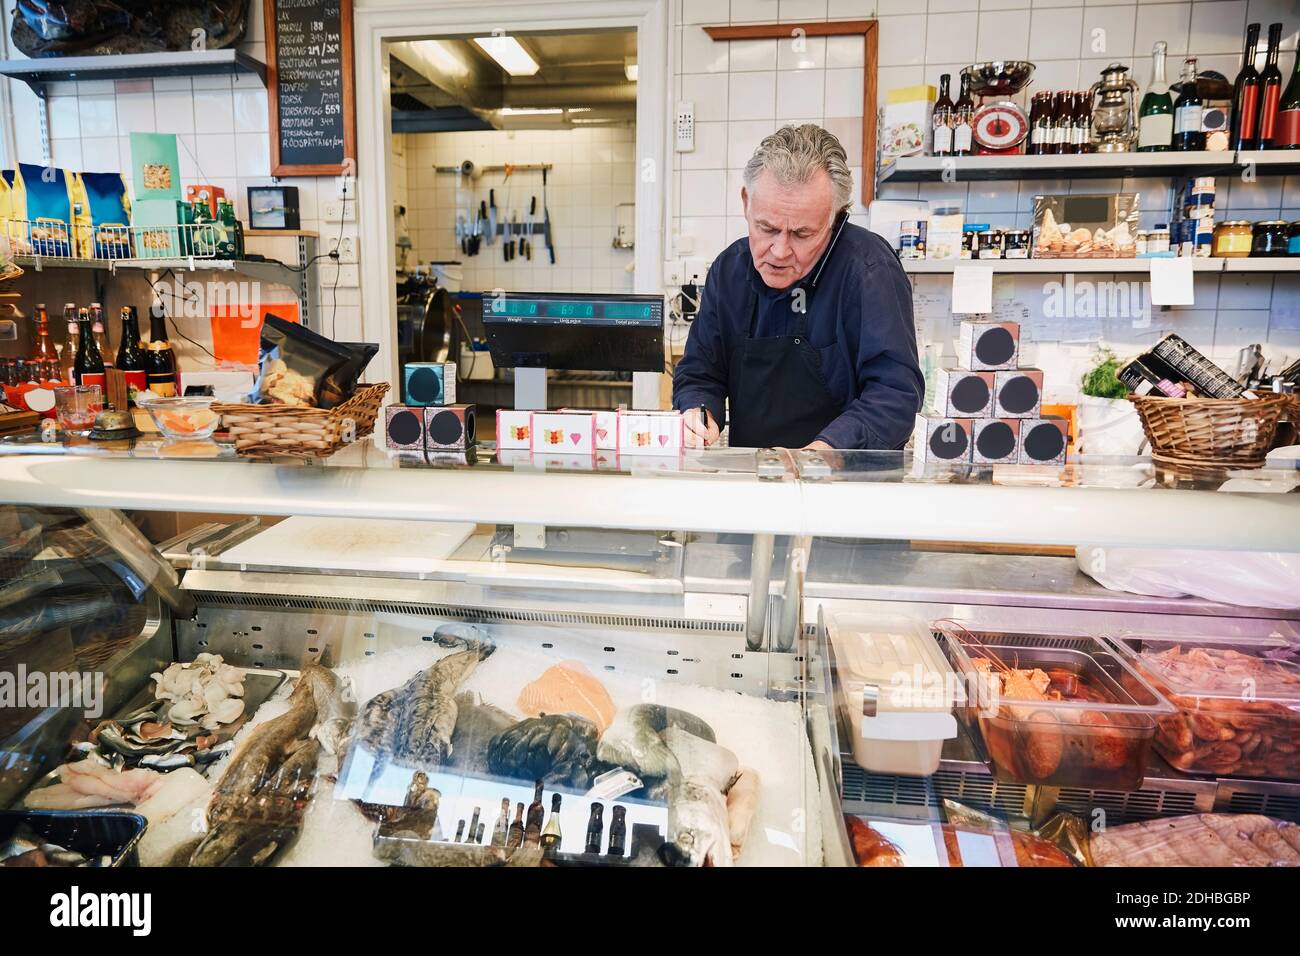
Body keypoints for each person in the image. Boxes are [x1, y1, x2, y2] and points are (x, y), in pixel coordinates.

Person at [672, 124, 924, 450]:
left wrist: (821, 456)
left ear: (834, 219)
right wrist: (698, 413)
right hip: (756, 478)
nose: (779, 251)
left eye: (802, 234)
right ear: (746, 202)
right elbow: (700, 373)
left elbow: (895, 393)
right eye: (766, 227)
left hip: (845, 486)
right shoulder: (728, 271)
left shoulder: (869, 271)